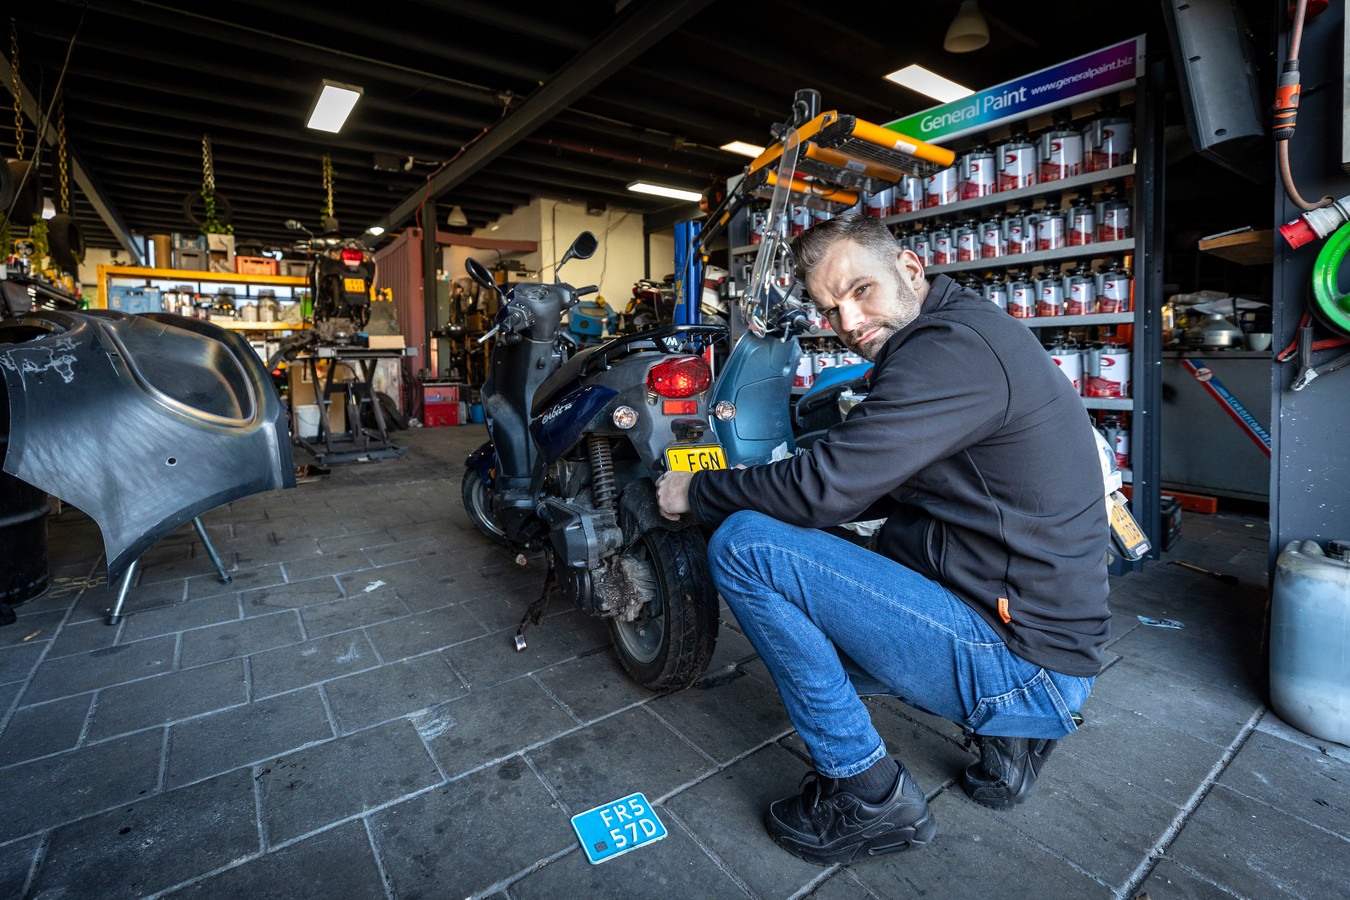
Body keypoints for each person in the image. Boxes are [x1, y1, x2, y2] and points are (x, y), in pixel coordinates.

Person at [656, 213, 1110, 866]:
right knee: (817, 574)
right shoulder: (959, 331)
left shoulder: (950, 352)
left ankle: (864, 794)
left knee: (745, 547)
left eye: (859, 290)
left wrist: (697, 491)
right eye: (828, 308)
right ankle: (1012, 738)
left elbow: (824, 489)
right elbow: (862, 487)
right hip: (1040, 636)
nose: (846, 320)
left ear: (910, 268)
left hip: (1024, 661)